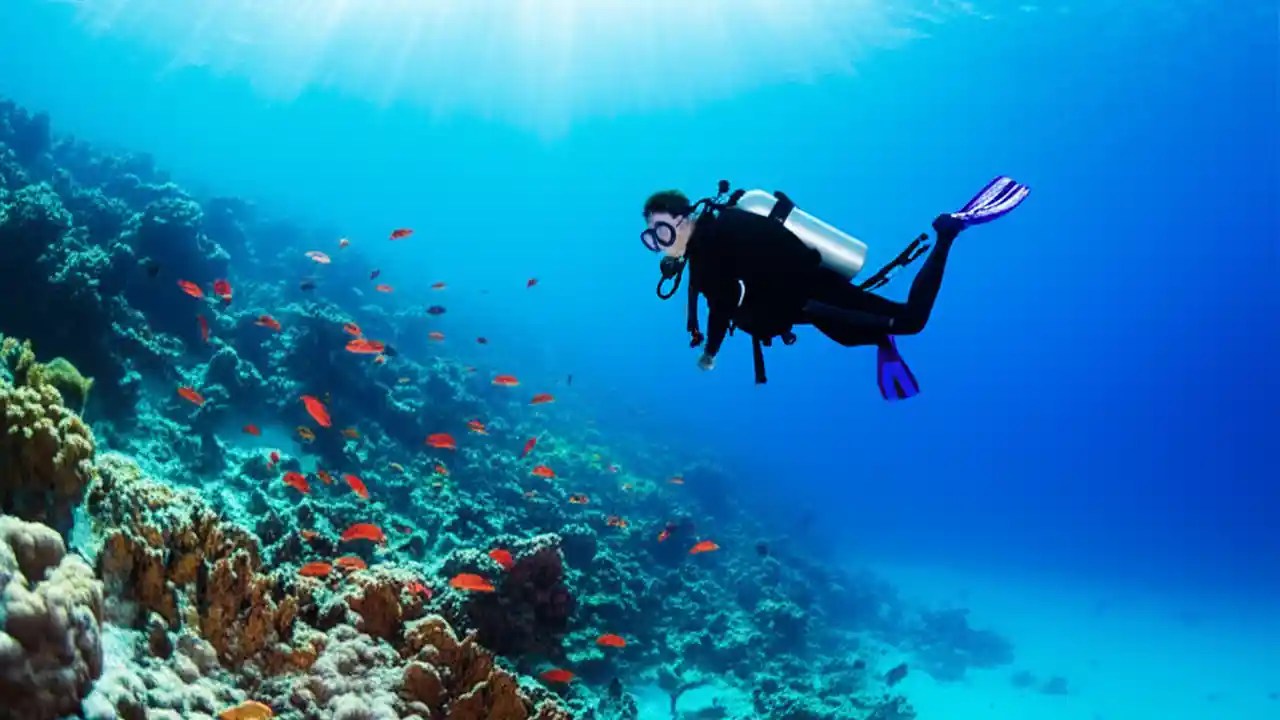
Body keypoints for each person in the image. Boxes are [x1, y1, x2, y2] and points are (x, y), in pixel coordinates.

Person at [641, 177, 1029, 399]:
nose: (659, 242)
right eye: (651, 237)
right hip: (804, 304)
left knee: (910, 321)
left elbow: (722, 303)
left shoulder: (712, 242)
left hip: (812, 295)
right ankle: (879, 337)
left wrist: (710, 353)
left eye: (662, 230)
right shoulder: (707, 244)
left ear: (685, 218)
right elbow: (723, 297)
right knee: (847, 333)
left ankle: (947, 232)